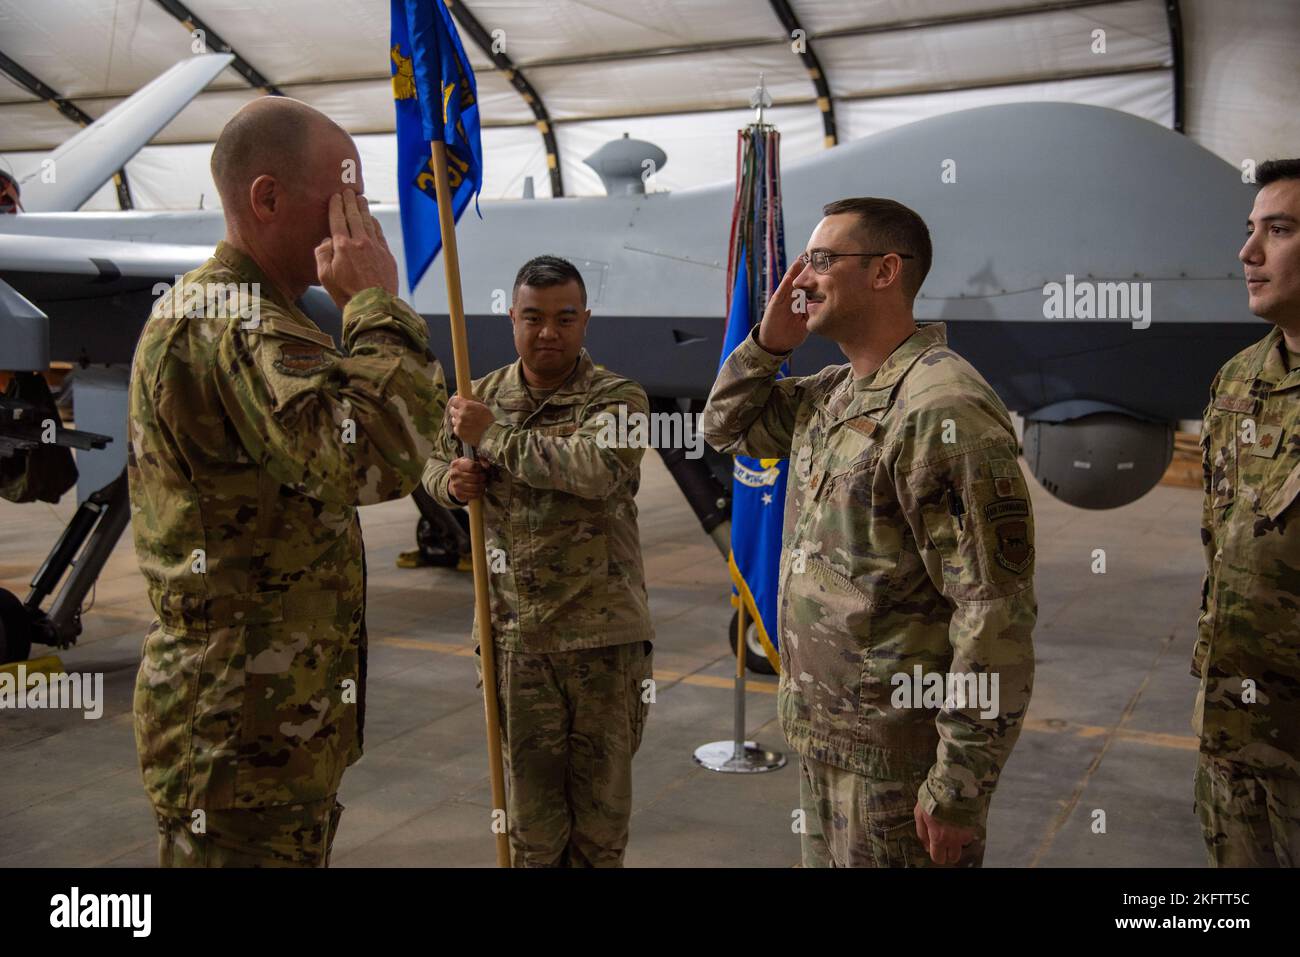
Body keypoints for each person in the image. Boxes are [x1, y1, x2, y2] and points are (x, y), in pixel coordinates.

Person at [128, 97, 446, 867]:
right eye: (345, 194)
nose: (359, 220)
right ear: (266, 198)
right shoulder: (236, 321)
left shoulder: (256, 312)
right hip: (243, 738)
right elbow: (379, 455)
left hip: (268, 730)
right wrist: (375, 305)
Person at [702, 198, 1035, 867]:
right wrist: (767, 345)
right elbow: (724, 429)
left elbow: (993, 609)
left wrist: (958, 786)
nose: (801, 278)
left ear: (885, 271)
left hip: (897, 761)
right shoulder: (834, 394)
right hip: (831, 740)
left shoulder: (942, 405)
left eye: (822, 260)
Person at [423, 255, 654, 867]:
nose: (548, 332)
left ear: (585, 321)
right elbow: (429, 463)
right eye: (533, 317)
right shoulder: (480, 395)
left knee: (600, 829)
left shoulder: (618, 397)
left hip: (601, 643)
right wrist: (453, 481)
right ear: (512, 318)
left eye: (564, 318)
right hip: (515, 641)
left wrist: (491, 437)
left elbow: (595, 468)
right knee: (531, 829)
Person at [1194, 157, 1300, 867]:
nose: (1247, 252)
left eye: (1280, 230)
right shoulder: (1238, 383)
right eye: (1250, 230)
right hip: (1233, 734)